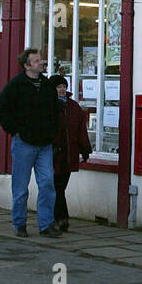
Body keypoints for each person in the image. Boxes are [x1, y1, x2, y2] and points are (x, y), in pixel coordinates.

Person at [0, 48, 61, 239]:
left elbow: (54, 111)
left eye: (41, 60)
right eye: (37, 60)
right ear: (27, 65)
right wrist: (15, 130)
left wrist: (52, 132)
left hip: (45, 144)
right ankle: (19, 223)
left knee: (48, 183)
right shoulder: (16, 85)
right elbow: (1, 110)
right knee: (21, 186)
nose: (41, 63)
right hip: (24, 143)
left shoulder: (47, 85)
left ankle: (46, 224)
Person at [48, 75, 91, 231]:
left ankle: (59, 219)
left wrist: (85, 149)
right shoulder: (48, 106)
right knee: (55, 187)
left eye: (64, 86)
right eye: (58, 86)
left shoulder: (73, 107)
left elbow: (81, 131)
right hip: (51, 154)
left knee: (60, 187)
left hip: (68, 154)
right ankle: (61, 219)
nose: (62, 89)